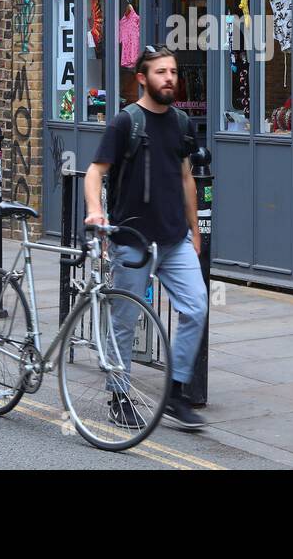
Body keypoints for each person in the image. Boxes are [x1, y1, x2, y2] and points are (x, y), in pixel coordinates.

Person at [84, 46, 208, 431]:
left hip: (173, 240)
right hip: (133, 240)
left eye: (172, 71)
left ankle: (174, 393)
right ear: (142, 78)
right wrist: (95, 211)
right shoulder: (125, 122)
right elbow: (94, 172)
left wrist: (194, 227)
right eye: (160, 72)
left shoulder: (183, 123)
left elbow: (187, 177)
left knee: (196, 308)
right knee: (125, 319)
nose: (169, 78)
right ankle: (119, 396)